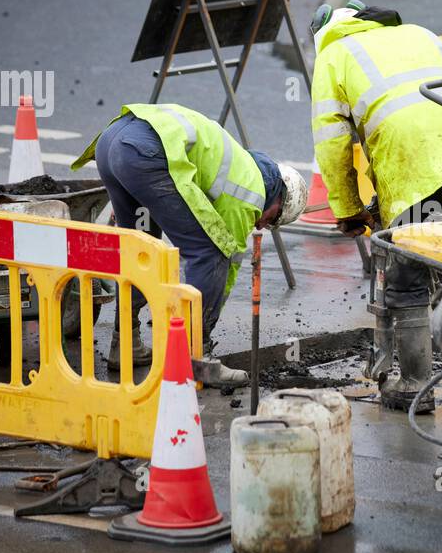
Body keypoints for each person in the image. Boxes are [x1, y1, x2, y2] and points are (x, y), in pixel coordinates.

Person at [309, 0, 442, 408]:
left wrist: (346, 210)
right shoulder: (421, 34)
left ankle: (415, 385)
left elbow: (332, 147)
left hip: (414, 179)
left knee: (408, 283)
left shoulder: (333, 55)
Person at [72, 103, 307, 367]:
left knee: (140, 249)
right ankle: (195, 357)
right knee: (209, 252)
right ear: (279, 199)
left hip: (113, 142)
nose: (262, 226)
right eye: (273, 219)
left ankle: (125, 344)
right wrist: (208, 321)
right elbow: (224, 262)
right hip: (144, 154)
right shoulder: (251, 193)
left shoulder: (240, 165)